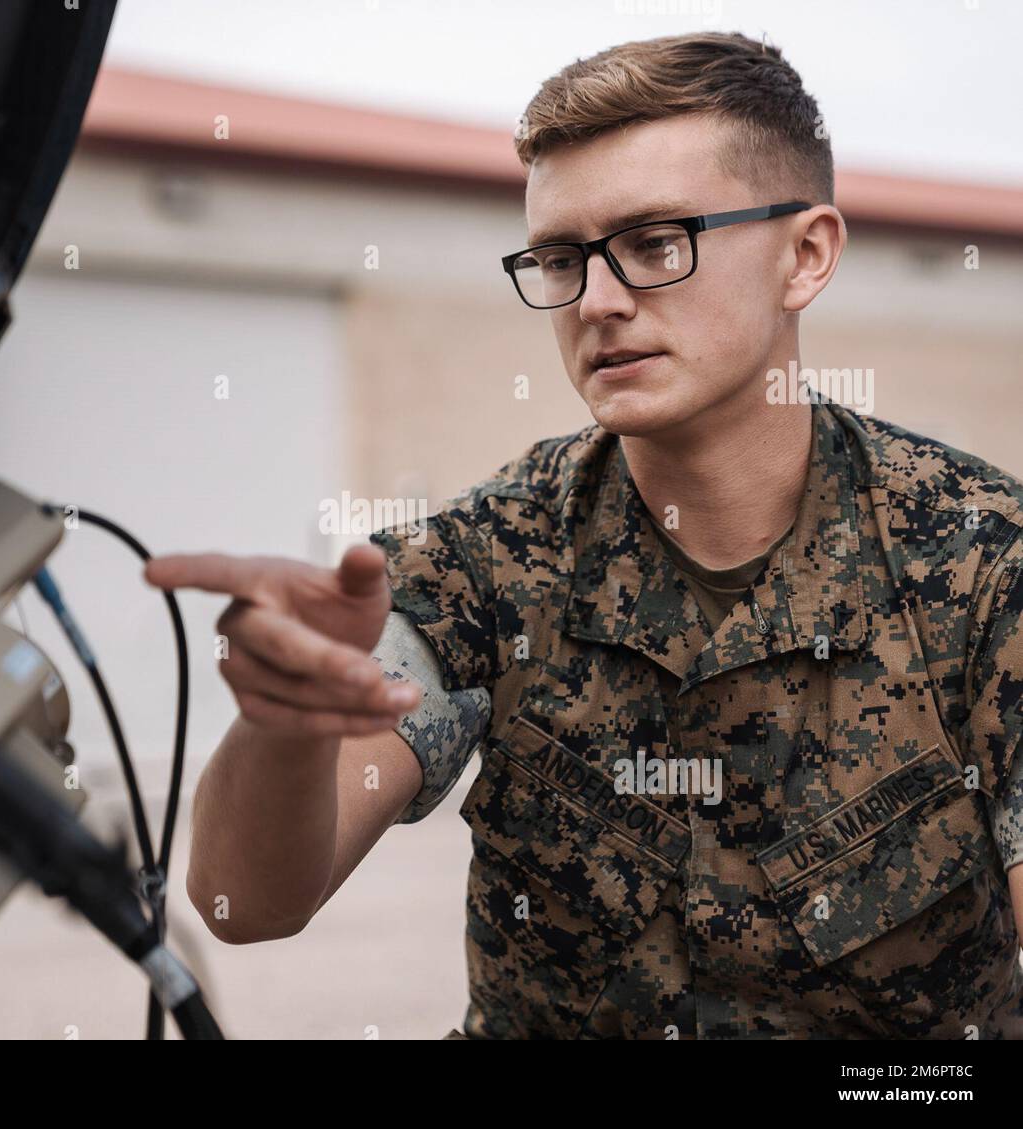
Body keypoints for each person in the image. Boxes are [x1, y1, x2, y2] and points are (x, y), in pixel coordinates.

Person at [144, 31, 1023, 1038]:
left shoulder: (979, 567)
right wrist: (283, 719)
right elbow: (241, 907)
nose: (597, 301)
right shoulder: (486, 561)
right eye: (561, 258)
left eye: (656, 243)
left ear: (805, 255)